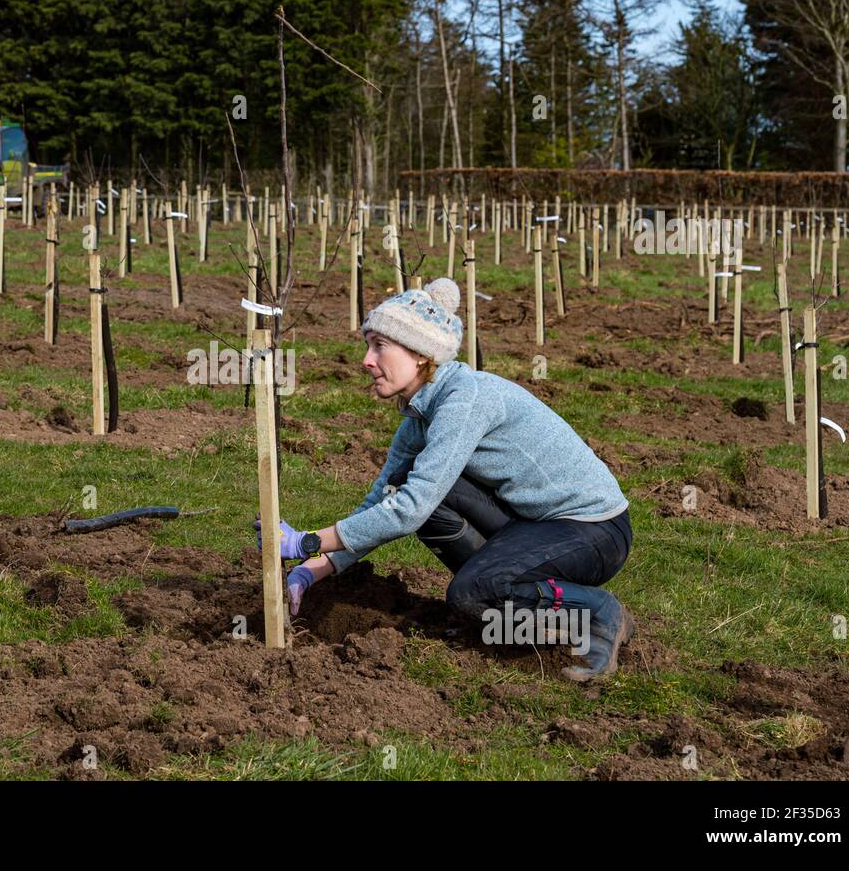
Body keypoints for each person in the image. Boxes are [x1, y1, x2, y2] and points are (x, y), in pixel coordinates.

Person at [254, 278, 634, 681]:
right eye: (368, 345)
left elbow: (409, 512)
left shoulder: (464, 399)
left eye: (380, 345)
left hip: (594, 532)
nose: (366, 360)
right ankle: (501, 599)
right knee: (404, 484)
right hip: (535, 524)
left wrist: (307, 540)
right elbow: (386, 503)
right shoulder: (420, 415)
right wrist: (314, 567)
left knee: (470, 592)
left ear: (420, 354)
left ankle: (597, 611)